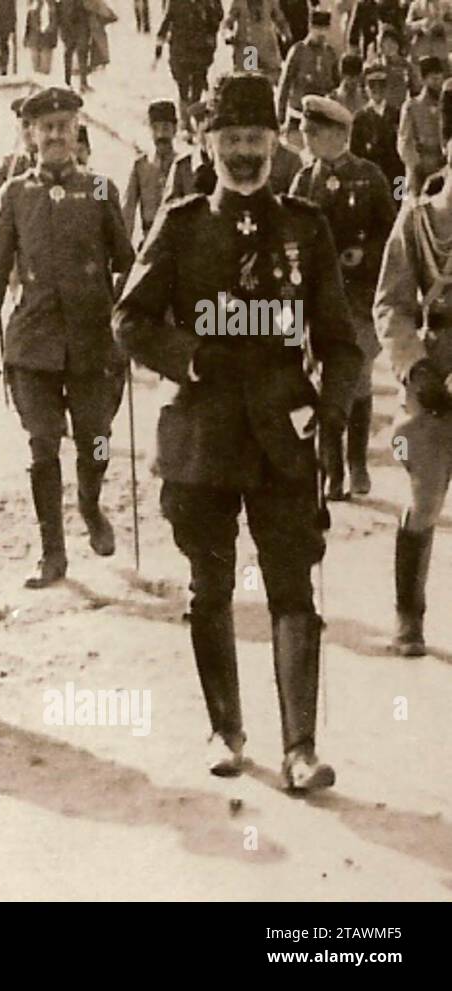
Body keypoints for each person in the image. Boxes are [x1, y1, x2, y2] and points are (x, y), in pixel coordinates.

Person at [114, 72, 362, 792]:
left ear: (276, 142)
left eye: (257, 138)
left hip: (285, 437)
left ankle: (301, 749)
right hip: (203, 434)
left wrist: (333, 410)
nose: (246, 152)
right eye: (232, 139)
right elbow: (129, 319)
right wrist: (189, 355)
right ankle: (226, 729)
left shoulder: (304, 226)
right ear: (208, 142)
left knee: (293, 589)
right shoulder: (185, 222)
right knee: (209, 587)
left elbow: (342, 342)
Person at [0, 87, 135, 589]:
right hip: (33, 343)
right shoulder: (15, 195)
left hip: (92, 344)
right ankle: (53, 554)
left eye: (65, 125)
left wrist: (127, 323)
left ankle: (90, 505)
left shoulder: (102, 190)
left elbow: (129, 265)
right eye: (47, 127)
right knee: (42, 445)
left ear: (76, 130)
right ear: (31, 135)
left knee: (96, 442)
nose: (56, 135)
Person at [373, 77, 452, 656]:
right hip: (434, 386)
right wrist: (414, 367)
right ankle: (409, 616)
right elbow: (392, 304)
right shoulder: (419, 222)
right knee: (424, 498)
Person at [291, 94, 396, 498]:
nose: (306, 141)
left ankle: (357, 464)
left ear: (338, 134)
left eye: (313, 133)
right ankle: (333, 471)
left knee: (360, 381)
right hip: (318, 303)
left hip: (358, 300)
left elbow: (390, 238)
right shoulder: (305, 180)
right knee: (323, 382)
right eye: (304, 133)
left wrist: (362, 255)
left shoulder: (370, 177)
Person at [155, 0, 225, 124]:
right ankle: (186, 121)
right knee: (183, 86)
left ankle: (193, 116)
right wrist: (159, 44)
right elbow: (167, 20)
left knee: (197, 85)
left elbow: (217, 18)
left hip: (199, 50)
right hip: (180, 49)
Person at [124, 99, 181, 244]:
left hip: (179, 245)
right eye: (156, 128)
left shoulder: (184, 165)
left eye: (166, 128)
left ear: (175, 129)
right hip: (149, 241)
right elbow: (128, 211)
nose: (161, 134)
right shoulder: (140, 166)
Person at [278, 10, 341, 123]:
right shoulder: (298, 51)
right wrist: (280, 114)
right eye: (318, 29)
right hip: (298, 113)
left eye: (325, 29)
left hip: (322, 115)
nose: (321, 33)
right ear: (310, 28)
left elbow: (337, 84)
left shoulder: (330, 54)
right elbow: (285, 84)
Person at [400, 55, 448, 195]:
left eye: (440, 78)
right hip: (420, 172)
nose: (438, 83)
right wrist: (417, 166)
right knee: (410, 209)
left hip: (446, 170)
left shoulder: (448, 105)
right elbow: (404, 143)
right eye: (433, 79)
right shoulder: (411, 107)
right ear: (424, 80)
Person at [353, 58, 405, 184]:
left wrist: (402, 191)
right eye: (372, 85)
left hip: (396, 175)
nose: (377, 89)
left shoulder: (398, 114)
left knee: (398, 201)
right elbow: (355, 153)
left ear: (387, 87)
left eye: (381, 85)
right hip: (370, 177)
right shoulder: (360, 118)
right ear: (365, 88)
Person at [0, 97, 40, 221]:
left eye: (34, 125)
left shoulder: (53, 162)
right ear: (18, 129)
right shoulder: (9, 165)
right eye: (25, 125)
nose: (29, 131)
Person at [222, 0, 291, 82]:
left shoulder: (270, 2)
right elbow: (227, 23)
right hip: (248, 48)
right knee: (249, 80)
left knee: (273, 79)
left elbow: (280, 20)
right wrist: (228, 35)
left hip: (267, 47)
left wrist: (286, 34)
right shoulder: (239, 2)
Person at [164, 100, 218, 199]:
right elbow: (169, 210)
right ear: (197, 131)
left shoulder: (232, 166)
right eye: (207, 131)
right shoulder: (183, 167)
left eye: (219, 133)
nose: (213, 138)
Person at [57, 0, 92, 91]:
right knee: (70, 51)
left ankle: (82, 83)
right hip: (67, 19)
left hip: (80, 19)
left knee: (82, 51)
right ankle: (67, 82)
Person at [25, 0, 61, 75]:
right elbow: (28, 23)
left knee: (45, 68)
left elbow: (55, 22)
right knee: (35, 68)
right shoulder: (33, 5)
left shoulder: (53, 5)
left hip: (47, 39)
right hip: (34, 38)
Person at [334, 52, 368, 117]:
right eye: (351, 77)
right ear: (342, 75)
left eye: (357, 77)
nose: (354, 81)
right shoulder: (333, 98)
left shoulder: (366, 98)